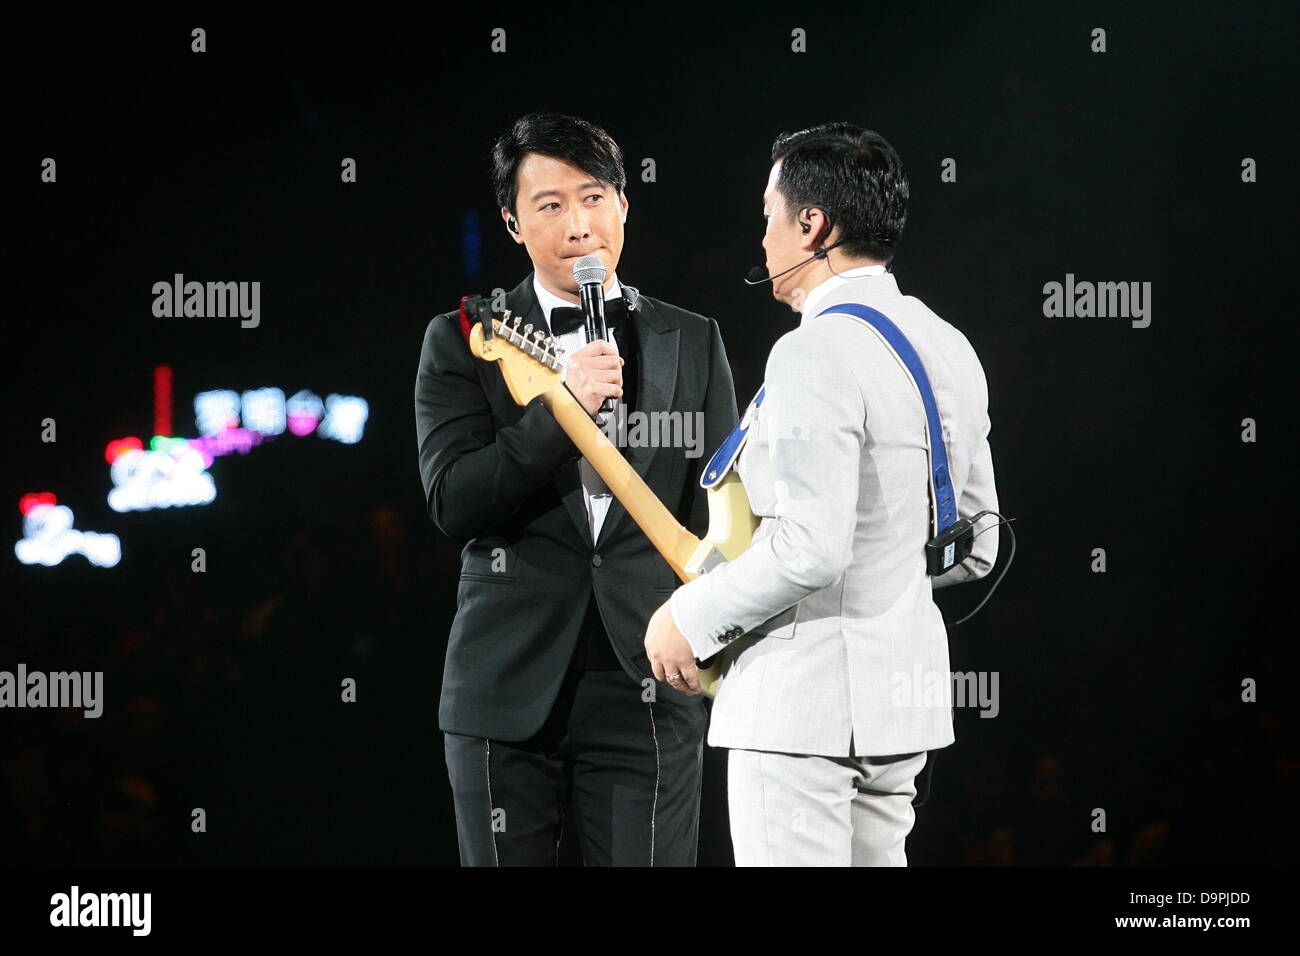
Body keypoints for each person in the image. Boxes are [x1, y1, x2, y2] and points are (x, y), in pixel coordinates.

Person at [643, 122, 1000, 866]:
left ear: (813, 225)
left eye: (770, 215)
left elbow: (811, 549)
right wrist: (881, 583)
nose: (764, 237)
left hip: (801, 712)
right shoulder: (950, 345)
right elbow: (978, 545)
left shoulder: (811, 348)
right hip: (903, 708)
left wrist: (688, 616)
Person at [415, 112, 737, 866]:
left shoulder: (692, 339)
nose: (577, 224)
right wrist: (563, 412)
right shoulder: (463, 338)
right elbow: (453, 499)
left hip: (652, 684)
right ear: (513, 223)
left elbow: (720, 509)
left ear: (624, 203)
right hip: (504, 688)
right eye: (549, 205)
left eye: (592, 197)